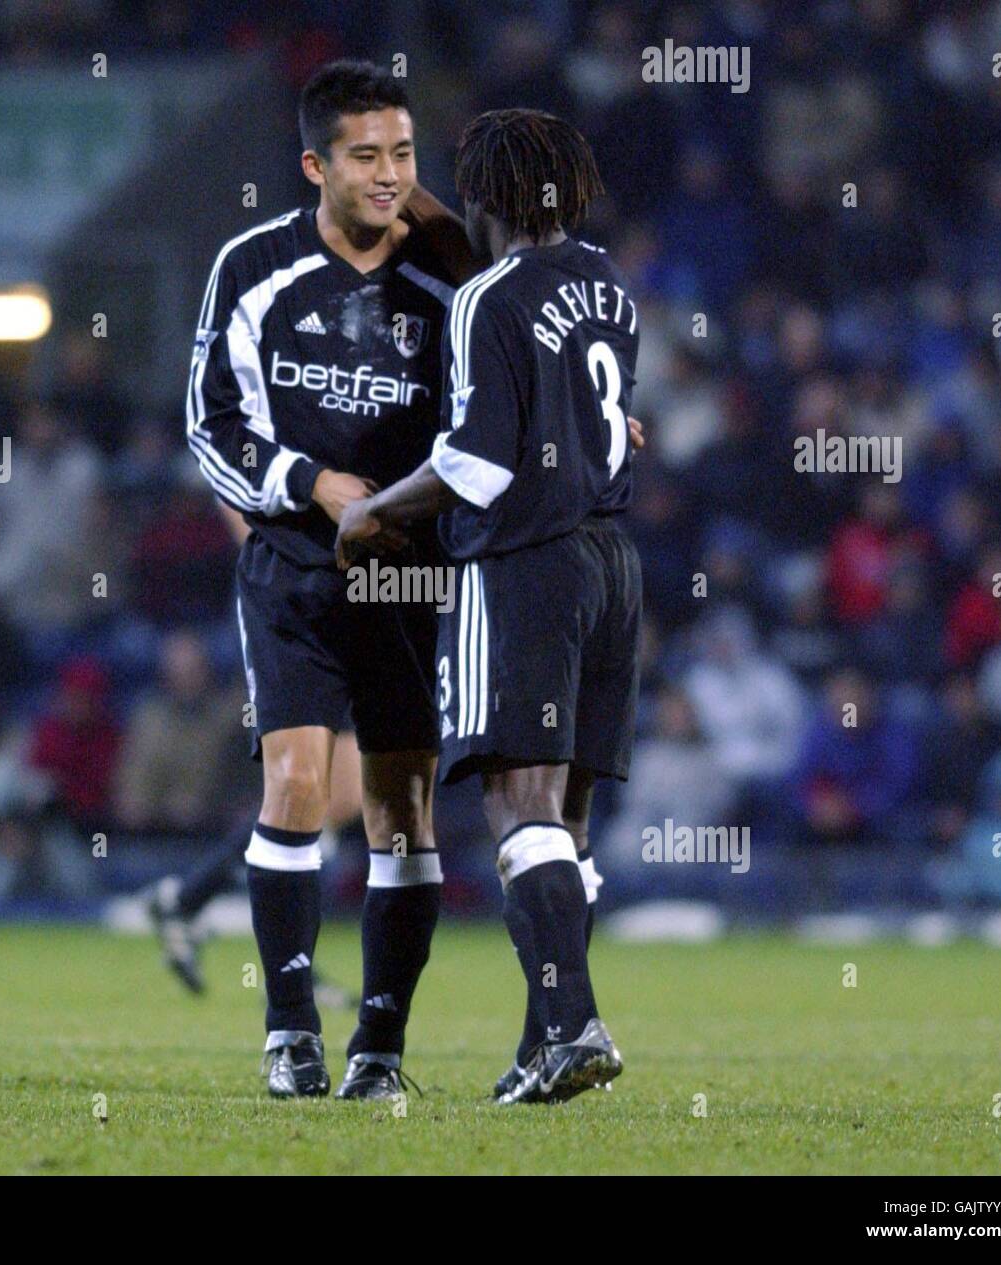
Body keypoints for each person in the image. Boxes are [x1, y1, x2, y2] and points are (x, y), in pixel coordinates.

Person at [337, 108, 642, 1105]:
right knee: (568, 823)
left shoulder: (486, 299)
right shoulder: (608, 281)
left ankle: (572, 1023)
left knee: (518, 808)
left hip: (524, 564)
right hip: (612, 563)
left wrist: (372, 512)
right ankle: (542, 1045)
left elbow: (474, 461)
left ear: (487, 192)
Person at [185, 60, 463, 1099]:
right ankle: (289, 1029)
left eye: (402, 153)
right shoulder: (252, 265)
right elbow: (208, 425)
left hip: (409, 573)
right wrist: (309, 483)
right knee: (296, 784)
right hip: (294, 564)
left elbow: (496, 410)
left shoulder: (447, 279)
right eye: (365, 155)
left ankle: (380, 1045)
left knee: (402, 808)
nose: (389, 174)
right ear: (315, 164)